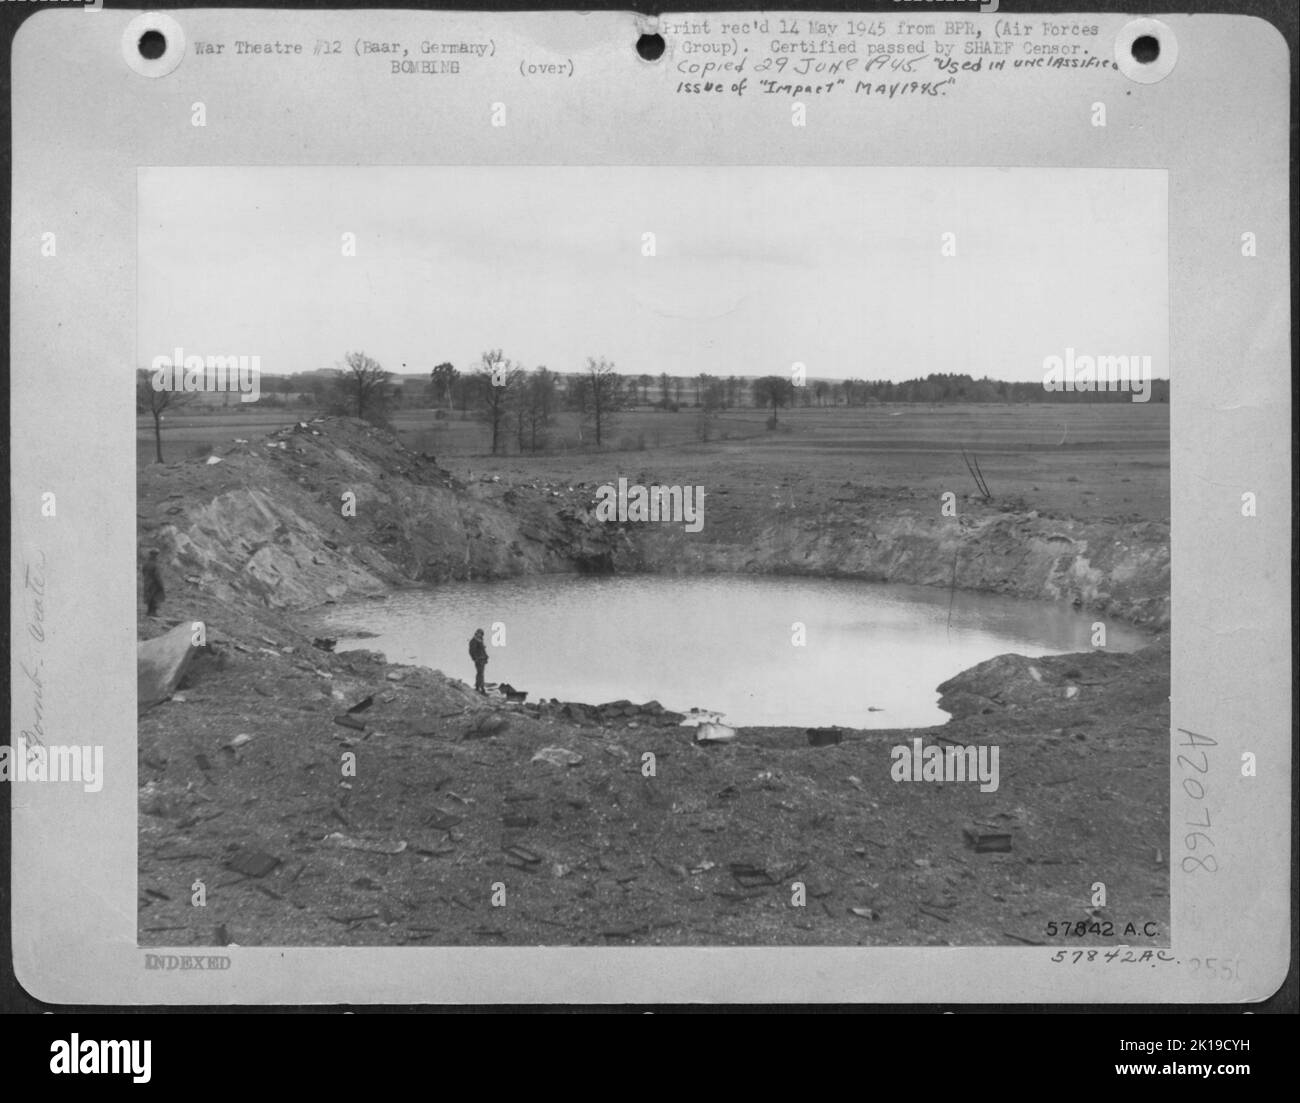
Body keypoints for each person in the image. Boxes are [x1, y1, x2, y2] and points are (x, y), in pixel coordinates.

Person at [143, 549, 165, 617]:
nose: (157, 556)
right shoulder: (155, 564)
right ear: (155, 555)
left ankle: (149, 612)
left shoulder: (146, 563)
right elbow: (157, 575)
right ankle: (153, 613)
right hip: (155, 583)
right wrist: (161, 584)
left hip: (147, 582)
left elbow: (143, 572)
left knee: (149, 596)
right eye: (156, 555)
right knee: (155, 597)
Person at [469, 628, 488, 694]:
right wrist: (475, 658)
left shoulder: (480, 640)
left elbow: (483, 651)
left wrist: (486, 657)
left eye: (481, 634)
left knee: (480, 673)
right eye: (479, 633)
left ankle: (478, 687)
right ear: (476, 633)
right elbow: (472, 651)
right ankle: (481, 688)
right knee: (480, 674)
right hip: (479, 660)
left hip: (482, 659)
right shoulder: (474, 641)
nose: (480, 635)